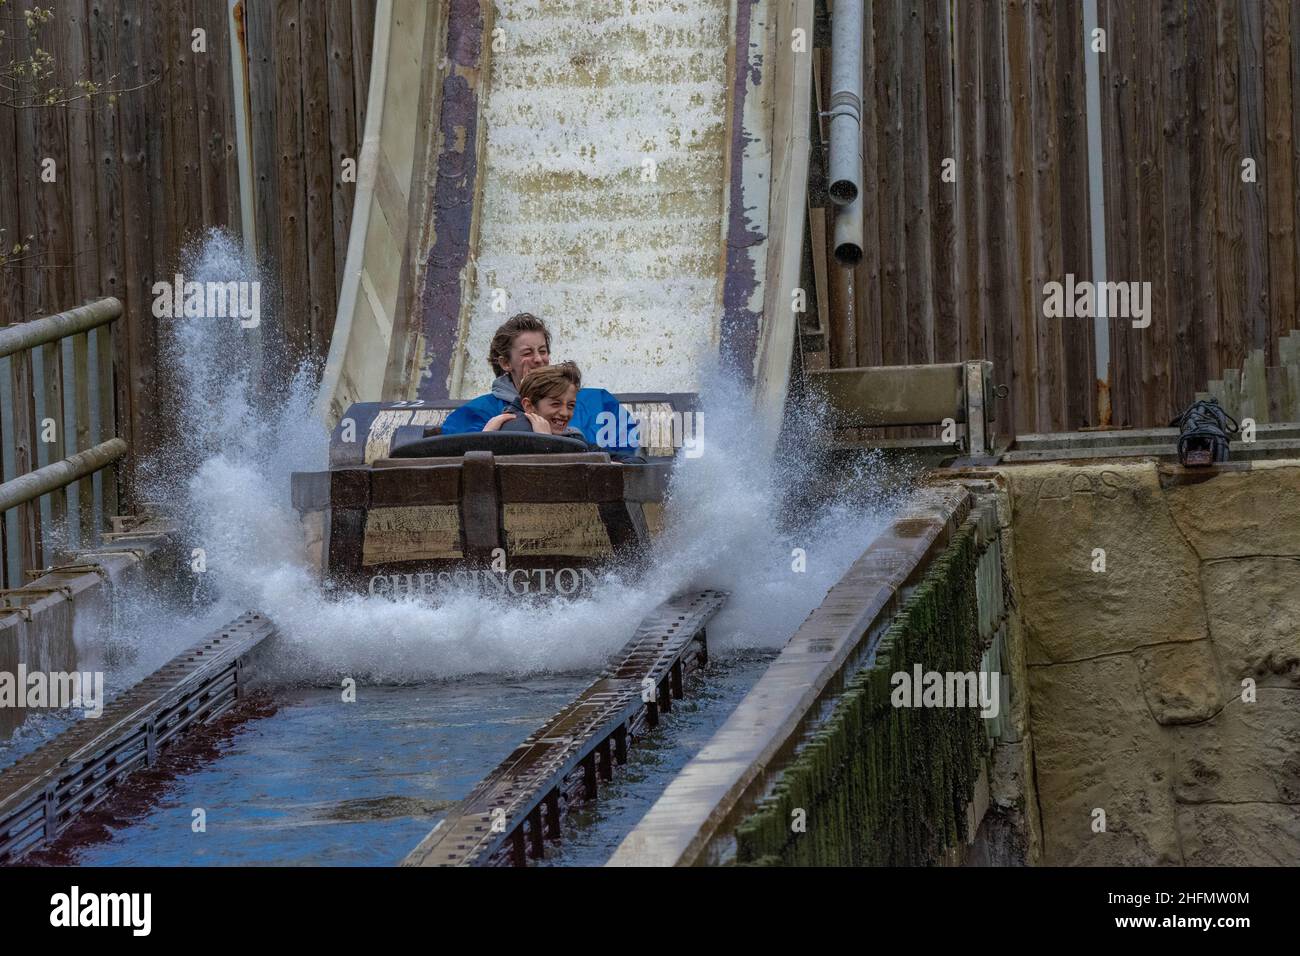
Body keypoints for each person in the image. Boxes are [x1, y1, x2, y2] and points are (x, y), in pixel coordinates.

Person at [441, 313, 640, 455]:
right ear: (505, 363)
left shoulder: (597, 402)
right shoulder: (478, 413)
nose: (538, 359)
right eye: (528, 353)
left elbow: (625, 463)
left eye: (543, 351)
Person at [485, 362, 585, 438]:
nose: (565, 413)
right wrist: (546, 442)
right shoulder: (518, 434)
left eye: (571, 405)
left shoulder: (572, 436)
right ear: (528, 406)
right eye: (555, 404)